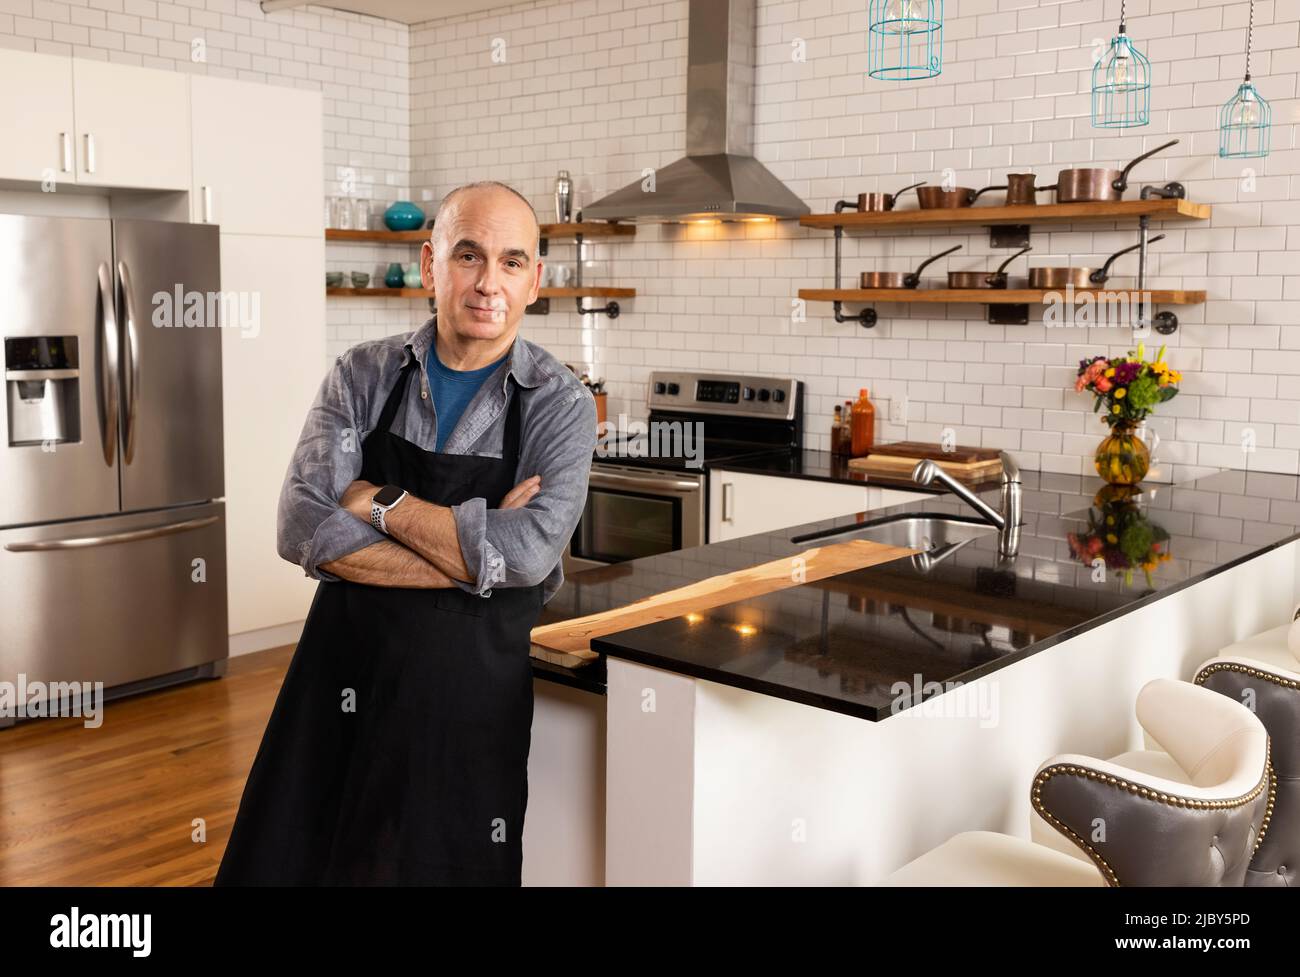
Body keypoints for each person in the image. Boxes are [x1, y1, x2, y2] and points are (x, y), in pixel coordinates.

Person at [213, 181, 596, 885]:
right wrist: (472, 559)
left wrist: (376, 499)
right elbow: (301, 525)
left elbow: (532, 551)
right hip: (338, 687)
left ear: (536, 280)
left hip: (464, 713)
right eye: (468, 256)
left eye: (512, 262)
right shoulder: (361, 375)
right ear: (429, 265)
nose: (488, 283)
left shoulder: (562, 405)